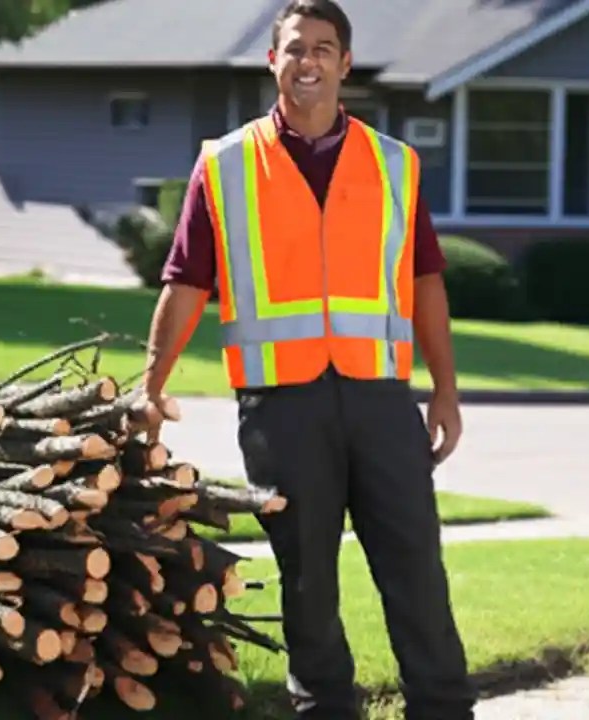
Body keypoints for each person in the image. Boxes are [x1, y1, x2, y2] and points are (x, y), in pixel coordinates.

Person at [138, 1, 477, 718]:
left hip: (382, 400)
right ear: (273, 62)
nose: (309, 62)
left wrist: (445, 390)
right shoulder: (224, 166)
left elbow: (424, 283)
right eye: (295, 49)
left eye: (324, 49)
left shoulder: (396, 166)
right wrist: (150, 388)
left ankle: (444, 708)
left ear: (345, 63)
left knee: (415, 566)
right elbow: (186, 284)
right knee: (308, 581)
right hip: (282, 406)